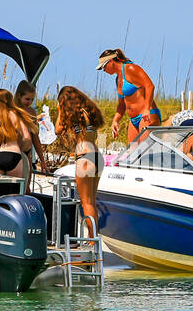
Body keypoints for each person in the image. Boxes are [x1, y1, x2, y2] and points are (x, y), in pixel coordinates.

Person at [54, 86, 105, 237]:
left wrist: (59, 110)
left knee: (86, 202)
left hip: (84, 157)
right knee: (92, 201)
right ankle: (93, 237)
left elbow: (57, 130)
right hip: (97, 156)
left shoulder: (72, 115)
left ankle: (92, 238)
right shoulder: (88, 111)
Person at [98, 48, 160, 143]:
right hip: (134, 120)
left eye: (104, 67)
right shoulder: (118, 79)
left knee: (145, 150)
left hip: (147, 115)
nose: (104, 70)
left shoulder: (131, 69)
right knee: (133, 151)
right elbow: (121, 105)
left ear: (110, 61)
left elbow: (150, 86)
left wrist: (146, 109)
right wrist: (115, 121)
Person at [14, 79, 48, 172]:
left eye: (32, 99)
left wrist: (42, 161)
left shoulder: (31, 112)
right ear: (19, 96)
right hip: (13, 152)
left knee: (27, 180)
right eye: (27, 99)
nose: (29, 102)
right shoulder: (12, 110)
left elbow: (35, 138)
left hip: (26, 153)